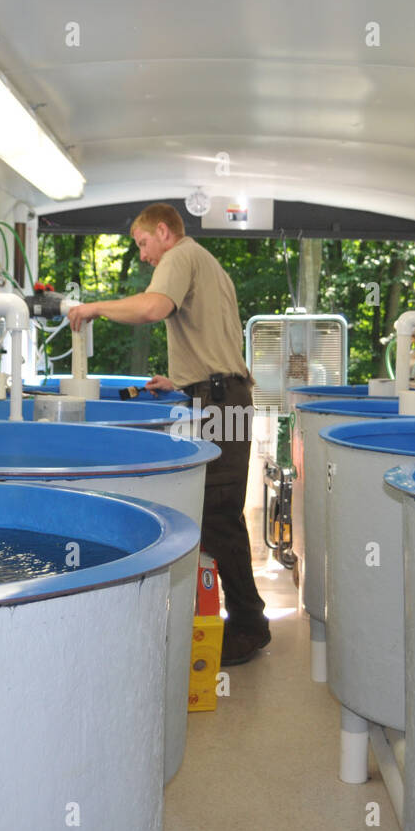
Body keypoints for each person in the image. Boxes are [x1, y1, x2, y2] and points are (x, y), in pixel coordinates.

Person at [66, 203, 270, 665]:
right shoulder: (206, 263)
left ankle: (249, 626)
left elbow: (154, 308)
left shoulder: (181, 255)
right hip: (222, 396)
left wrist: (94, 307)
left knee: (219, 514)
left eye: (142, 243)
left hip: (221, 401)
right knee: (222, 513)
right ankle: (241, 620)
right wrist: (179, 383)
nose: (142, 256)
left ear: (163, 232)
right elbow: (212, 341)